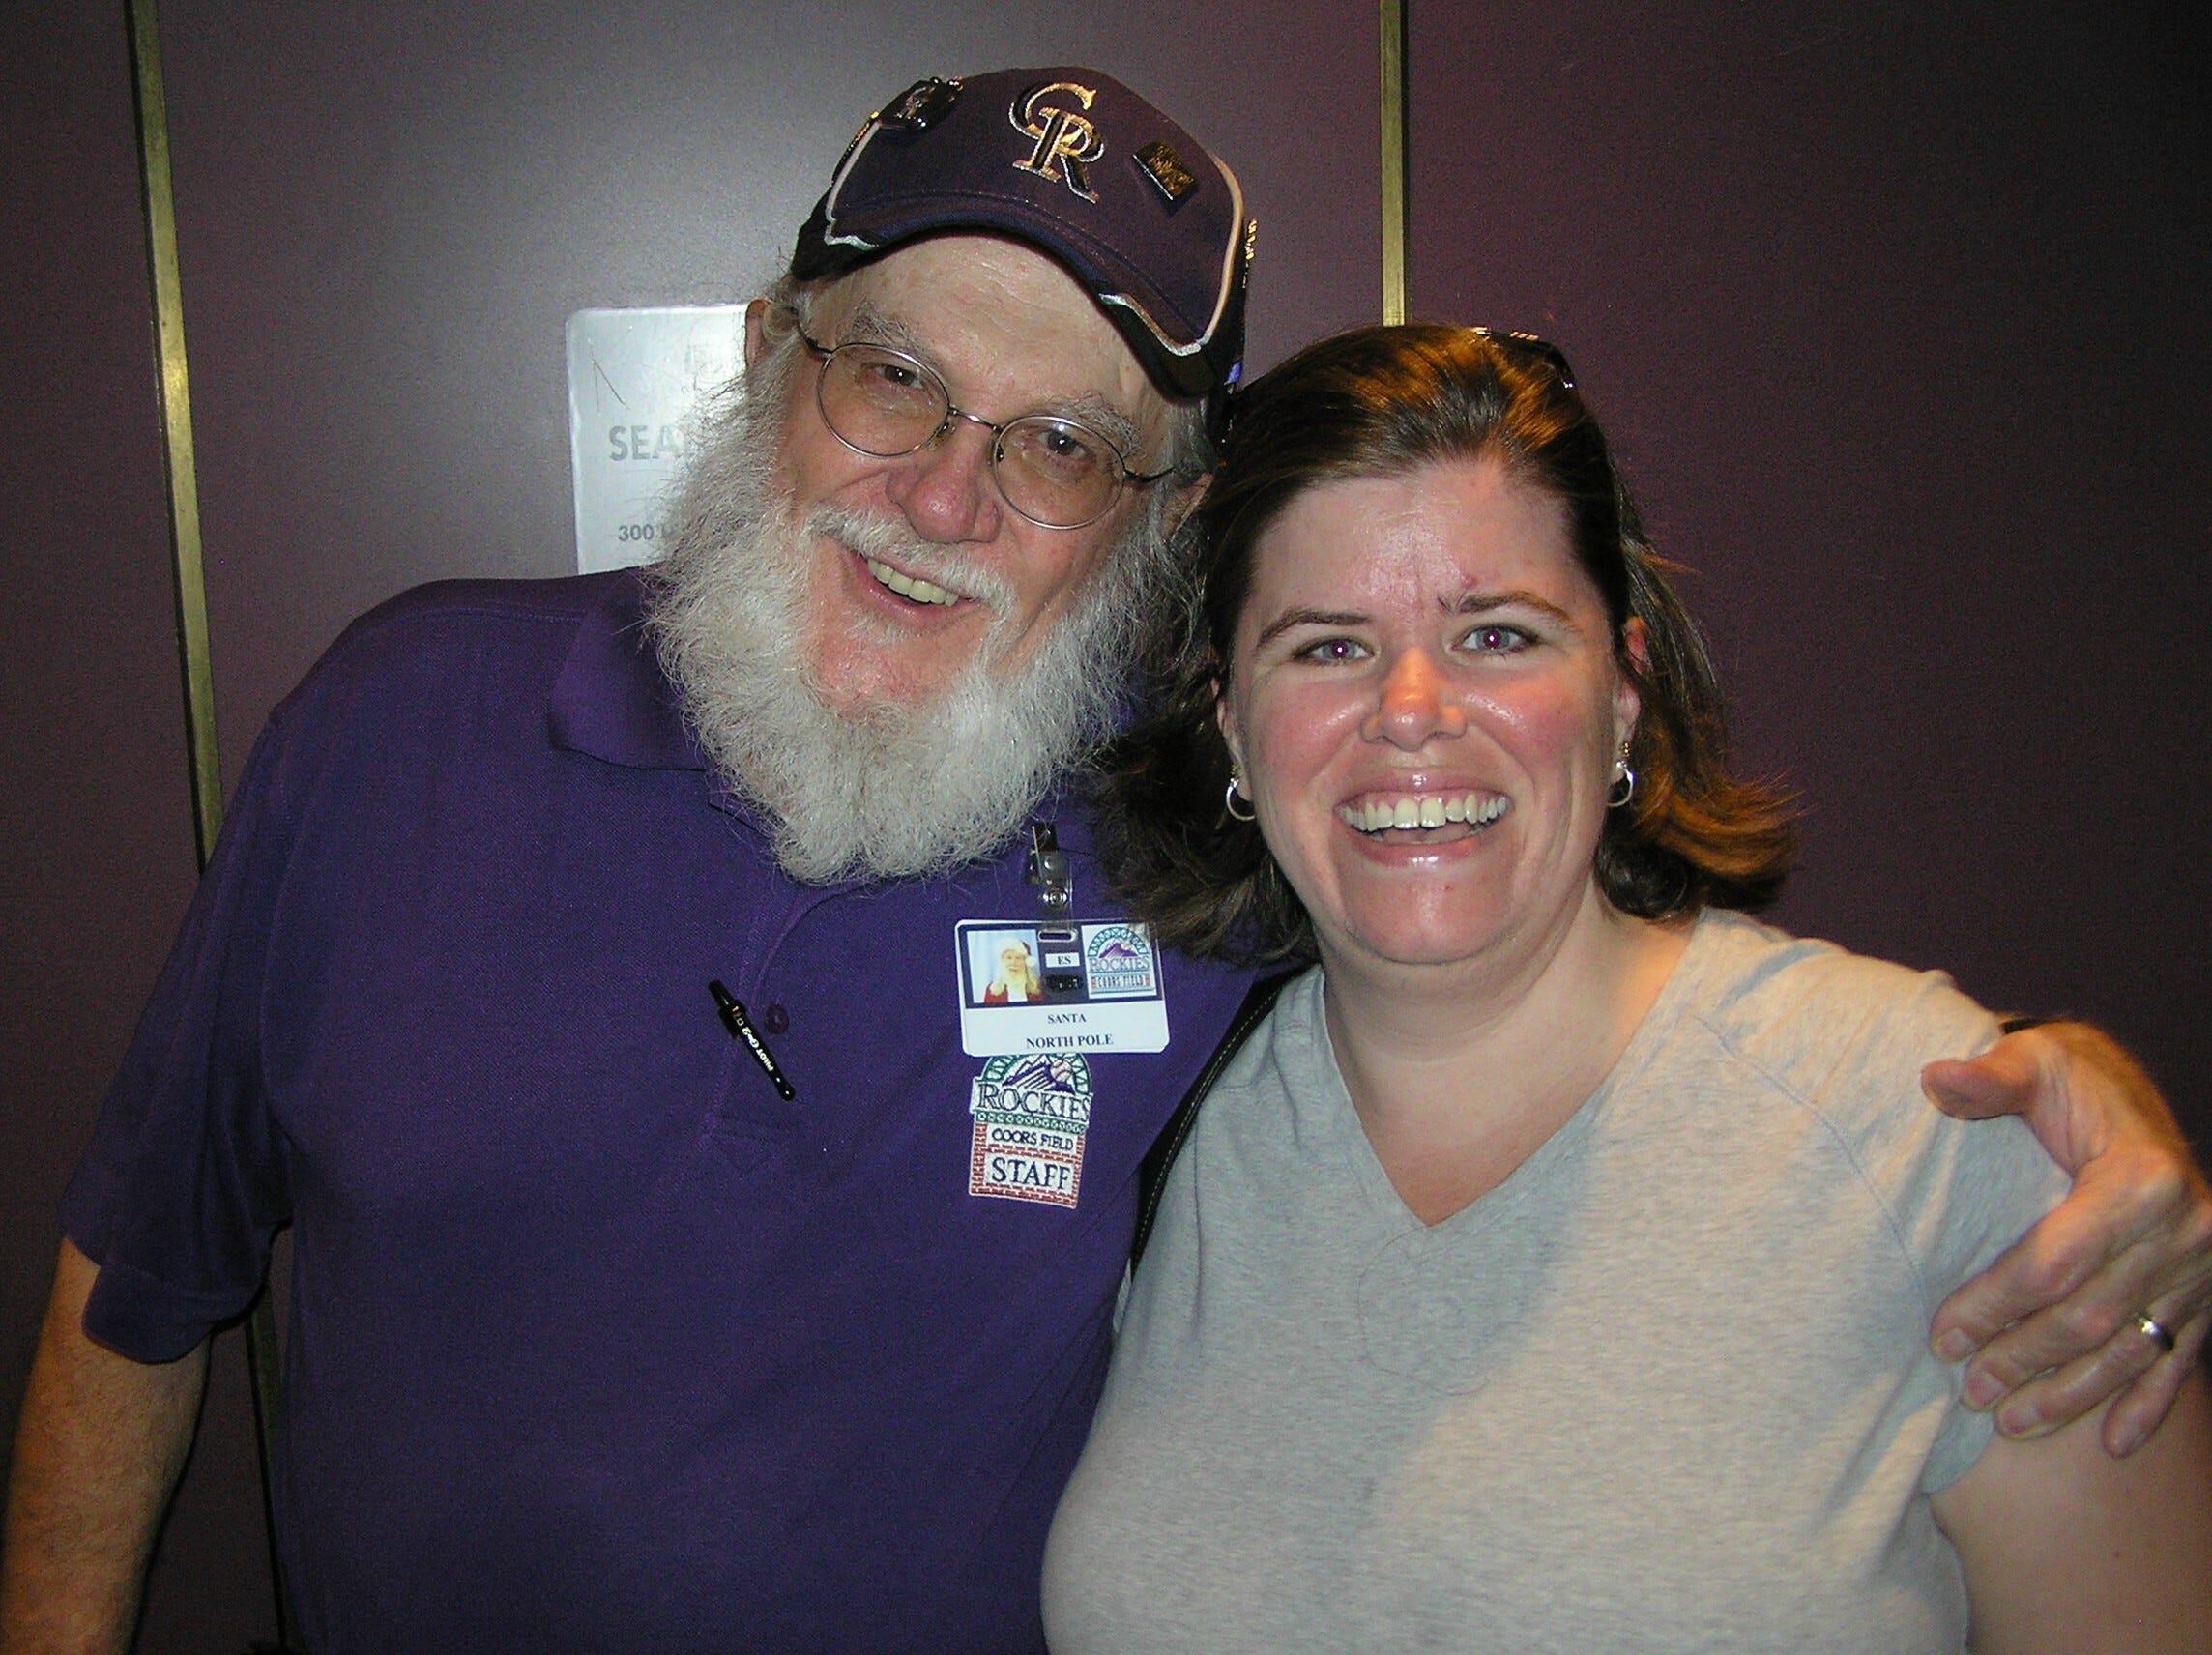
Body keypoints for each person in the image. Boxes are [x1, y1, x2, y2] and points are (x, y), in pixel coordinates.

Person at [0, 68, 2204, 1655]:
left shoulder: (1191, 839)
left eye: (1062, 443)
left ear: (1151, 528)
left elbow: (1541, 945)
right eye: (894, 380)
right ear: (767, 363)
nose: (946, 495)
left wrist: (2056, 1102)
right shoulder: (396, 727)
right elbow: (133, 1287)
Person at [1043, 324, 2212, 1651]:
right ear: (1230, 724)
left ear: (1622, 692)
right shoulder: (1156, 1130)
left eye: (1497, 633)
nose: (1411, 710)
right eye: (1326, 647)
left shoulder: (1937, 1129)